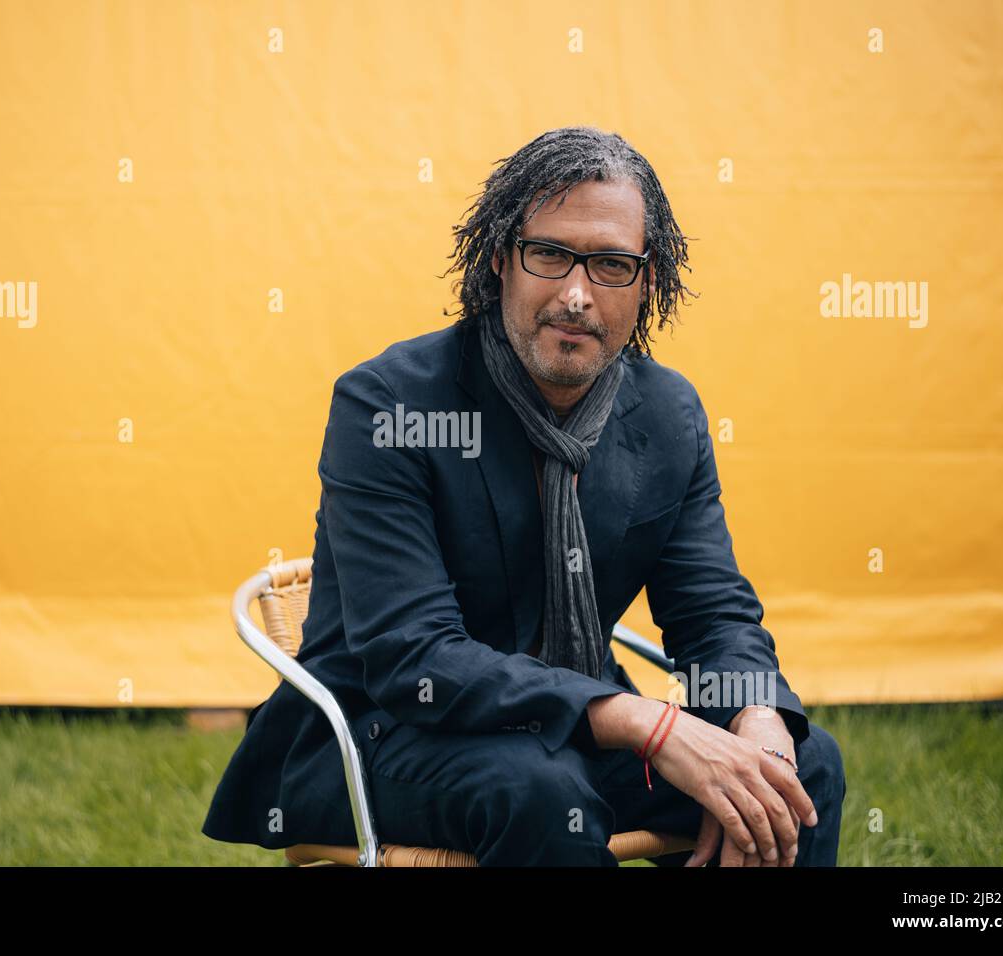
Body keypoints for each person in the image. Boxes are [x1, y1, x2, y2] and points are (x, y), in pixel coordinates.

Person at [203, 126, 845, 866]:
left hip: (577, 731)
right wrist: (648, 724)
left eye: (609, 265)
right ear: (502, 258)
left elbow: (712, 611)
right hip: (389, 734)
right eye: (549, 255)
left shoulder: (667, 413)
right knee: (539, 790)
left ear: (647, 281)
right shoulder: (390, 404)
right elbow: (416, 658)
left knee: (801, 766)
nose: (575, 295)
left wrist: (757, 715)